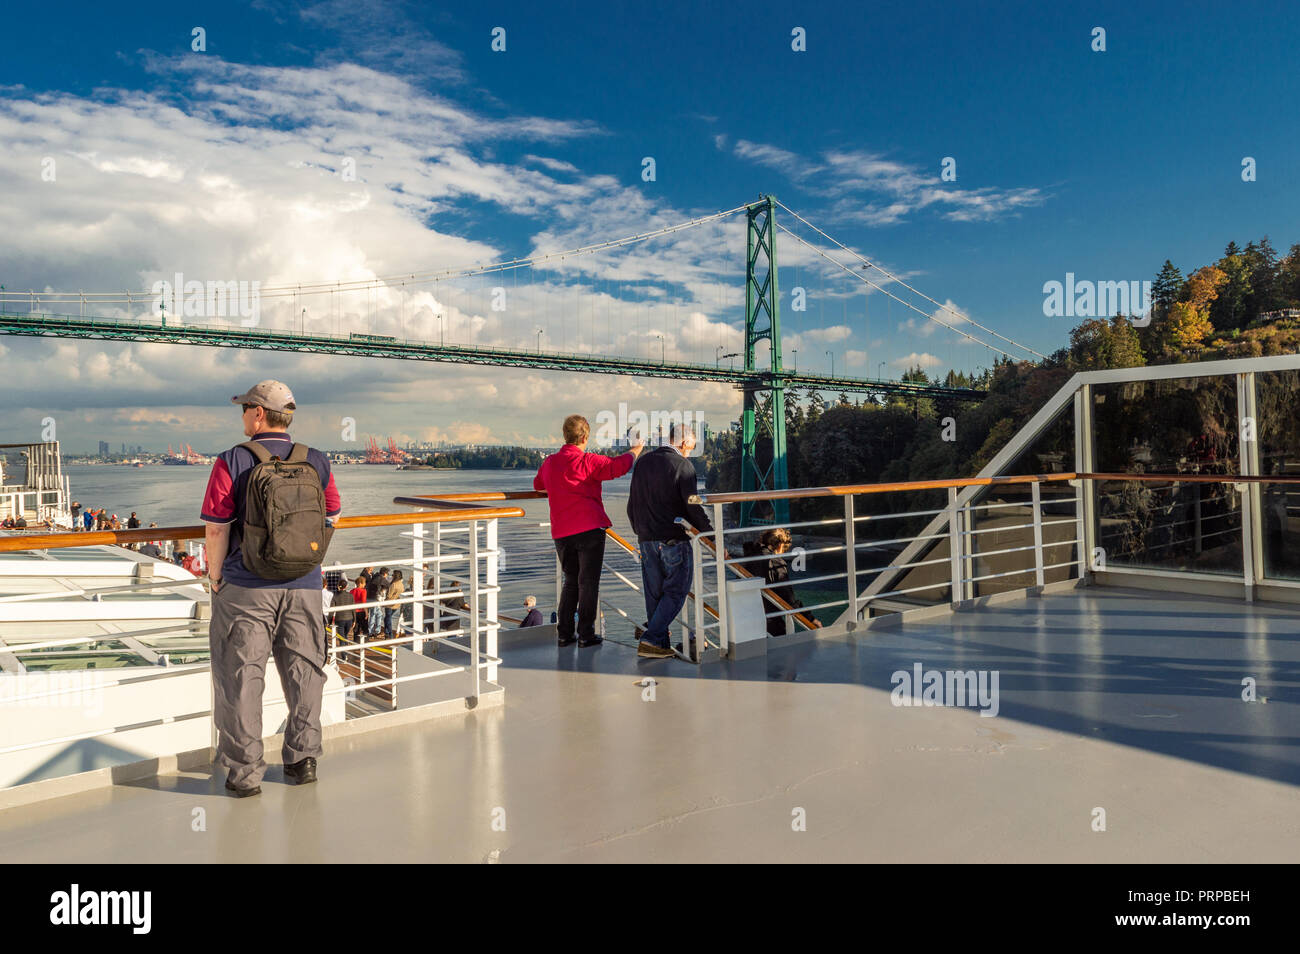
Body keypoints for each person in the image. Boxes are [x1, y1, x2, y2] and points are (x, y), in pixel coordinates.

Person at [201, 379, 342, 797]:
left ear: (258, 414)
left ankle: (245, 775)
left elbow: (215, 528)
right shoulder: (316, 460)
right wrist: (306, 561)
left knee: (242, 676)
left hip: (247, 587)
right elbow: (332, 514)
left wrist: (215, 577)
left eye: (245, 409)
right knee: (305, 672)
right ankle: (302, 761)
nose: (242, 415)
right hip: (305, 585)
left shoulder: (232, 460)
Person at [533, 414, 644, 647]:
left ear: (565, 436)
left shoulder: (550, 462)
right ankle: (586, 634)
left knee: (571, 581)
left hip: (562, 532)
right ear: (585, 437)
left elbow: (538, 485)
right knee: (588, 583)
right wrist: (636, 450)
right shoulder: (590, 461)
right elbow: (618, 468)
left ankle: (564, 633)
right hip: (590, 530)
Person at [627, 422, 711, 658]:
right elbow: (693, 507)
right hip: (673, 540)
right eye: (690, 448)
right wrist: (711, 535)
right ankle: (652, 637)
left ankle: (658, 645)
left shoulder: (642, 462)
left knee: (654, 594)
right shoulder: (683, 465)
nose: (689, 453)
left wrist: (640, 530)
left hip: (646, 539)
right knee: (676, 592)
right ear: (684, 443)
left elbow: (632, 503)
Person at [752, 527, 802, 637]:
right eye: (784, 550)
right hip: (771, 621)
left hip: (750, 619)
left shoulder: (751, 556)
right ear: (779, 545)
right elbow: (788, 598)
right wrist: (810, 618)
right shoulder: (775, 562)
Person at [367, 567, 390, 636]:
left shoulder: (375, 576)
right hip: (374, 599)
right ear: (385, 573)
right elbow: (389, 585)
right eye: (387, 574)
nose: (388, 575)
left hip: (369, 597)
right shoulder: (381, 579)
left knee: (379, 614)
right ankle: (371, 632)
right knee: (373, 615)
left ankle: (377, 630)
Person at [384, 570, 404, 637]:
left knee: (388, 618)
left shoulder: (393, 584)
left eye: (393, 575)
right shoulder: (401, 584)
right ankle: (386, 633)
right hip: (397, 604)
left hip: (390, 604)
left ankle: (390, 634)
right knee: (387, 618)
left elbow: (389, 595)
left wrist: (384, 600)